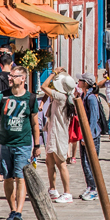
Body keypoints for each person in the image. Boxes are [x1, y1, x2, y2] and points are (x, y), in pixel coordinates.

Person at [0, 66, 39, 220]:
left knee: (21, 177)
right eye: (10, 76)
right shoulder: (2, 96)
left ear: (23, 79)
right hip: (5, 143)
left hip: (23, 144)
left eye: (14, 76)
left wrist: (37, 145)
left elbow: (35, 123)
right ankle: (13, 209)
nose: (10, 78)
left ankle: (19, 212)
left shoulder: (31, 98)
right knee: (7, 177)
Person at [39, 69, 77, 203]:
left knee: (61, 164)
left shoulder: (61, 97)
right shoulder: (63, 96)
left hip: (59, 134)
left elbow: (43, 87)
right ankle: (53, 189)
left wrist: (53, 73)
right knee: (49, 161)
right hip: (53, 132)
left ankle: (67, 193)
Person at [74, 74, 105, 201]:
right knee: (84, 162)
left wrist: (88, 137)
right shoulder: (83, 95)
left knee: (91, 162)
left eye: (80, 80)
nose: (78, 81)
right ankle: (89, 185)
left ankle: (94, 189)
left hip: (91, 135)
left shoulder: (91, 98)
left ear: (86, 83)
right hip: (85, 134)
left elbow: (93, 118)